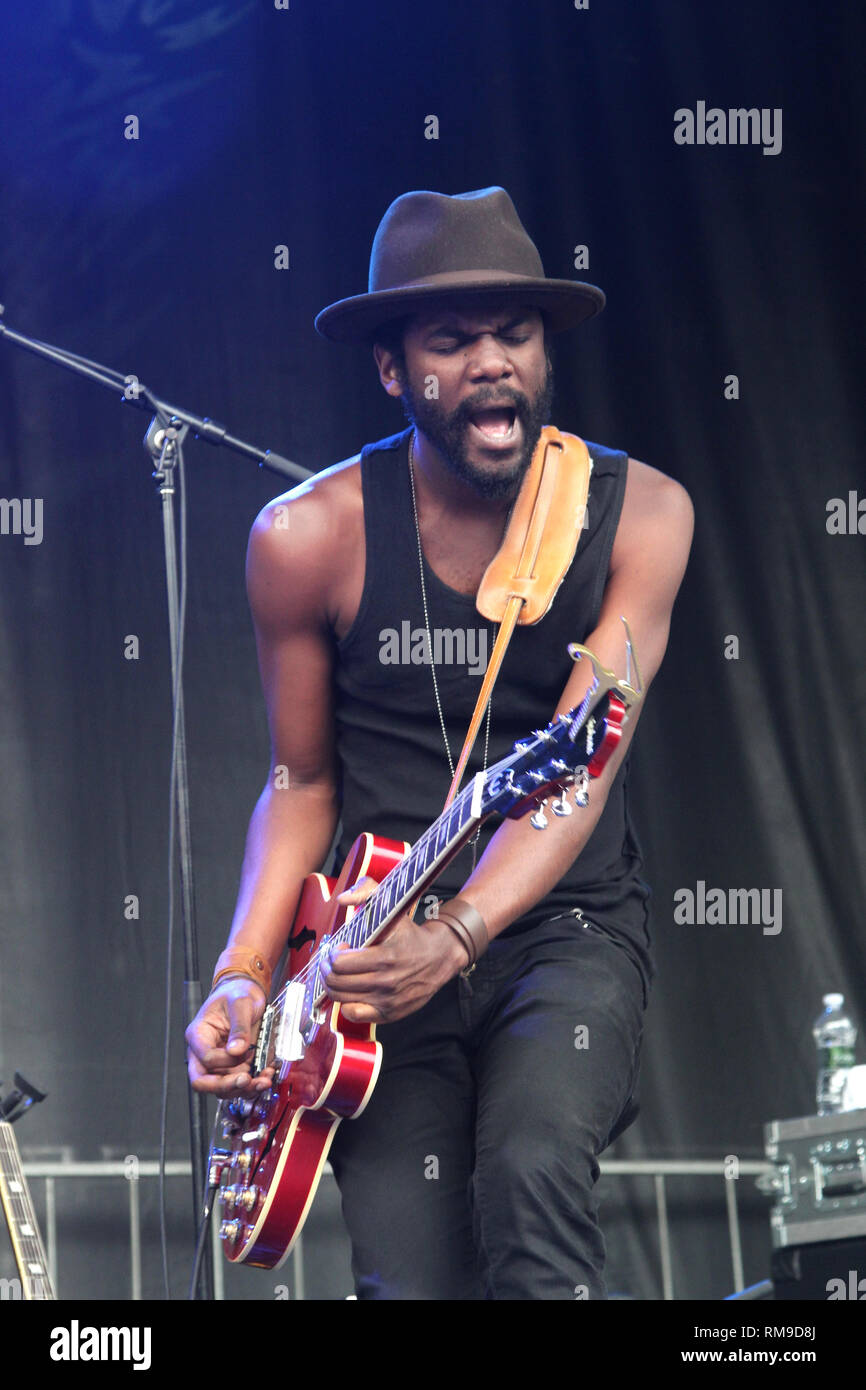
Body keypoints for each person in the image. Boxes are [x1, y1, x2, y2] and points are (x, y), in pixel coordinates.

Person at [186, 187, 694, 1299]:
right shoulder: (304, 538)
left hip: (561, 926)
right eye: (449, 339)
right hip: (372, 952)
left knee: (527, 1178)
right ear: (388, 368)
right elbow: (302, 781)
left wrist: (463, 932)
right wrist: (243, 972)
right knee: (407, 1279)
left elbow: (580, 762)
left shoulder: (640, 514)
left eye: (512, 332)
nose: (489, 362)